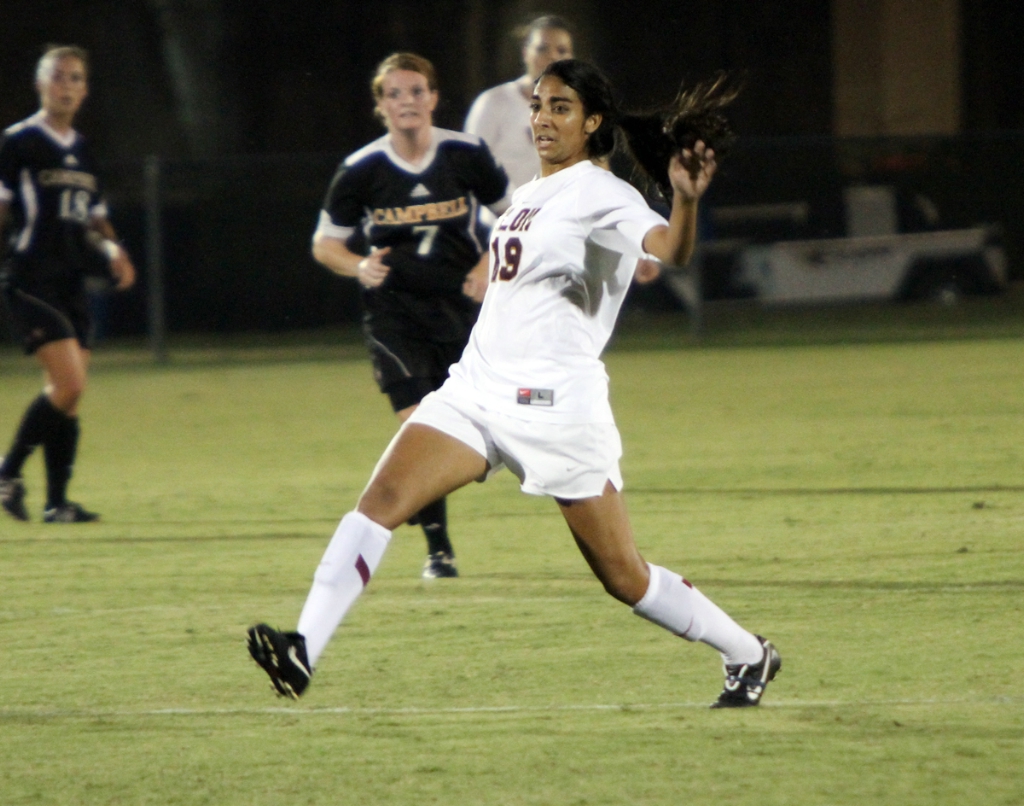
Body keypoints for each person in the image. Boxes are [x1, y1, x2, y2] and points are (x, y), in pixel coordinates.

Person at [249, 59, 780, 708]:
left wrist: (689, 201)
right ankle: (304, 648)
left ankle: (748, 653)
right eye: (537, 105)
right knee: (382, 499)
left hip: (557, 410)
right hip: (474, 392)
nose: (542, 119)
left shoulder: (602, 194)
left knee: (625, 578)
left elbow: (669, 249)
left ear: (594, 123)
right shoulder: (529, 195)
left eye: (560, 108)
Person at [310, 52, 508, 578]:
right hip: (394, 313)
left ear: (434, 98)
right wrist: (357, 267)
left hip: (461, 309)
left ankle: (483, 461)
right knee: (419, 423)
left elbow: (516, 218)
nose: (407, 102)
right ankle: (439, 549)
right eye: (394, 94)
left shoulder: (466, 153)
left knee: (471, 434)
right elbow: (325, 245)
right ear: (380, 106)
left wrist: (489, 262)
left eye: (416, 91)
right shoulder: (361, 170)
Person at [0, 45, 136, 523]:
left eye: (76, 78)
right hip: (32, 277)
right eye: (58, 76)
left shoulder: (83, 150)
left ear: (85, 89)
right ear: (40, 84)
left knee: (70, 395)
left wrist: (115, 250)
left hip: (73, 279)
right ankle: (7, 471)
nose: (66, 86)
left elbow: (95, 219)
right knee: (69, 381)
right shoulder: (18, 141)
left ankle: (57, 502)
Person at [464, 15, 574, 199]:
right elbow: (469, 167)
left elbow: (596, 169)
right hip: (502, 221)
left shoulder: (579, 109)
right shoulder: (494, 102)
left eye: (562, 50)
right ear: (525, 53)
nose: (553, 56)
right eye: (542, 48)